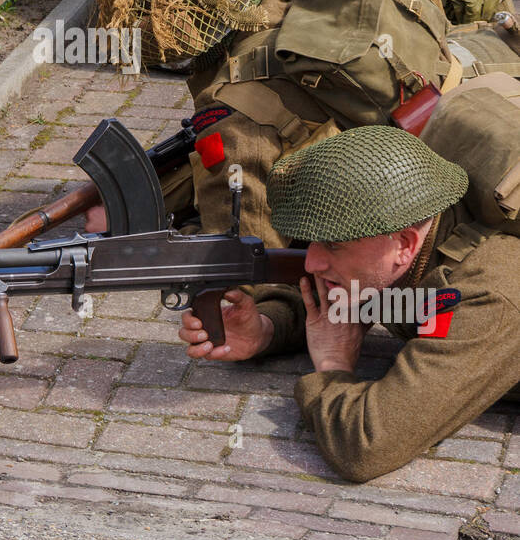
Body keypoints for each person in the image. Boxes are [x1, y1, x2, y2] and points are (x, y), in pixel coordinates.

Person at [178, 125, 520, 482]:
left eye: (334, 245)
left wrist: (333, 366)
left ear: (403, 244)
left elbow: (365, 446)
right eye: (313, 242)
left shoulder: (487, 299)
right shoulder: (412, 216)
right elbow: (370, 294)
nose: (311, 263)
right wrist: (266, 328)